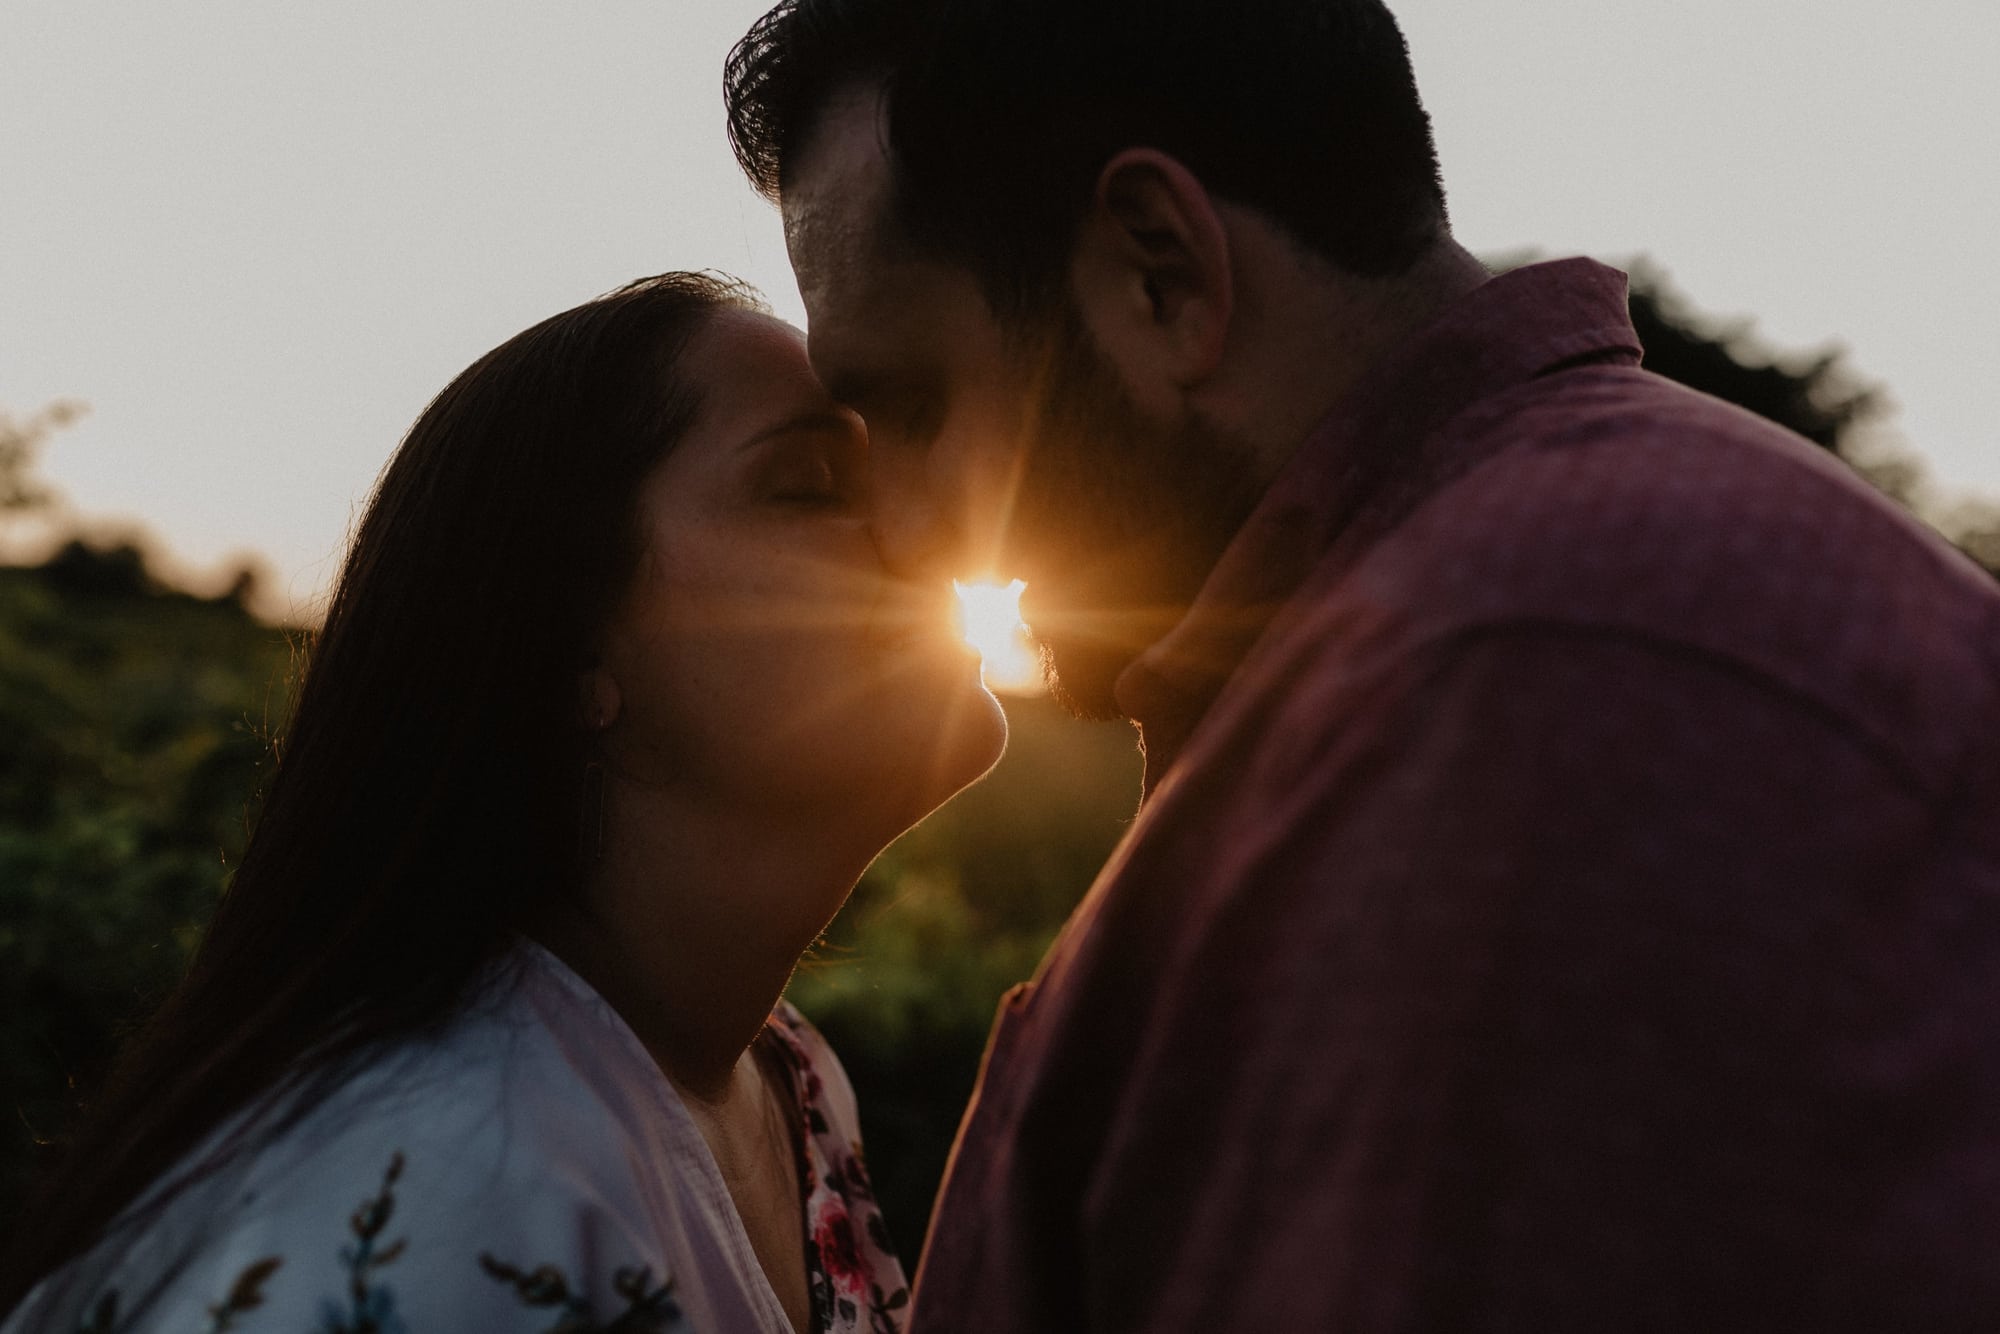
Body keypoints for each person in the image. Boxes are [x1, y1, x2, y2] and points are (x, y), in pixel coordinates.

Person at [724, 0, 2000, 1328]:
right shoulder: (1485, 635)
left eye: (916, 404)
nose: (912, 535)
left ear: (1160, 270)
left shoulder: (1504, 701)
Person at [0, 273, 1006, 1334]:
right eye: (809, 480)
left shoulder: (781, 1075)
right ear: (567, 644)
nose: (934, 523)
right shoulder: (448, 1204)